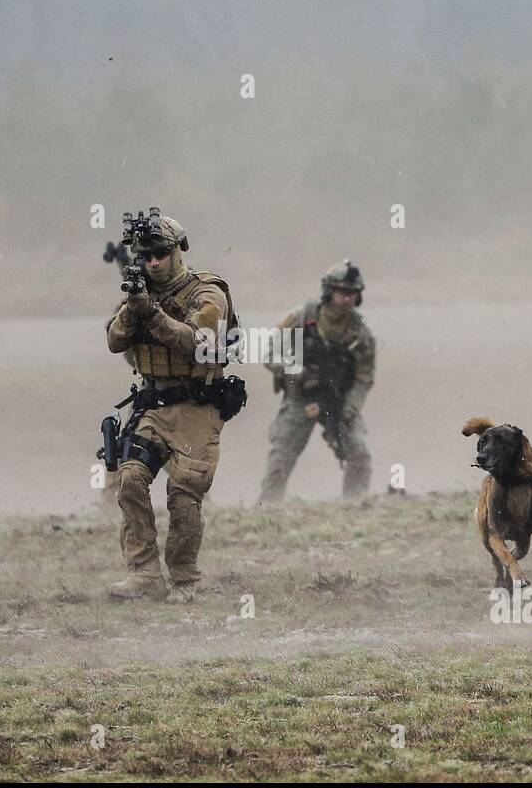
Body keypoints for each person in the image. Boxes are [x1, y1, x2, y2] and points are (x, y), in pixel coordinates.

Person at [103, 210, 244, 604]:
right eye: (146, 256)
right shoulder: (139, 292)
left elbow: (200, 339)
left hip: (198, 406)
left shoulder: (207, 291)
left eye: (160, 254)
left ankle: (184, 579)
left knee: (184, 496)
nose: (153, 263)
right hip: (154, 404)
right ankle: (145, 573)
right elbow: (114, 340)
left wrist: (152, 314)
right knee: (129, 480)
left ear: (178, 251)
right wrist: (134, 308)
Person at [258, 260, 375, 503]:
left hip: (339, 402)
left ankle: (355, 506)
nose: (348, 299)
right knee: (281, 457)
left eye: (353, 294)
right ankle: (268, 510)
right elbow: (269, 352)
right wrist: (299, 373)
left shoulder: (360, 334)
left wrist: (349, 411)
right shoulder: (303, 317)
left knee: (360, 454)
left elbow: (364, 378)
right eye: (343, 292)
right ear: (329, 291)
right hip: (301, 398)